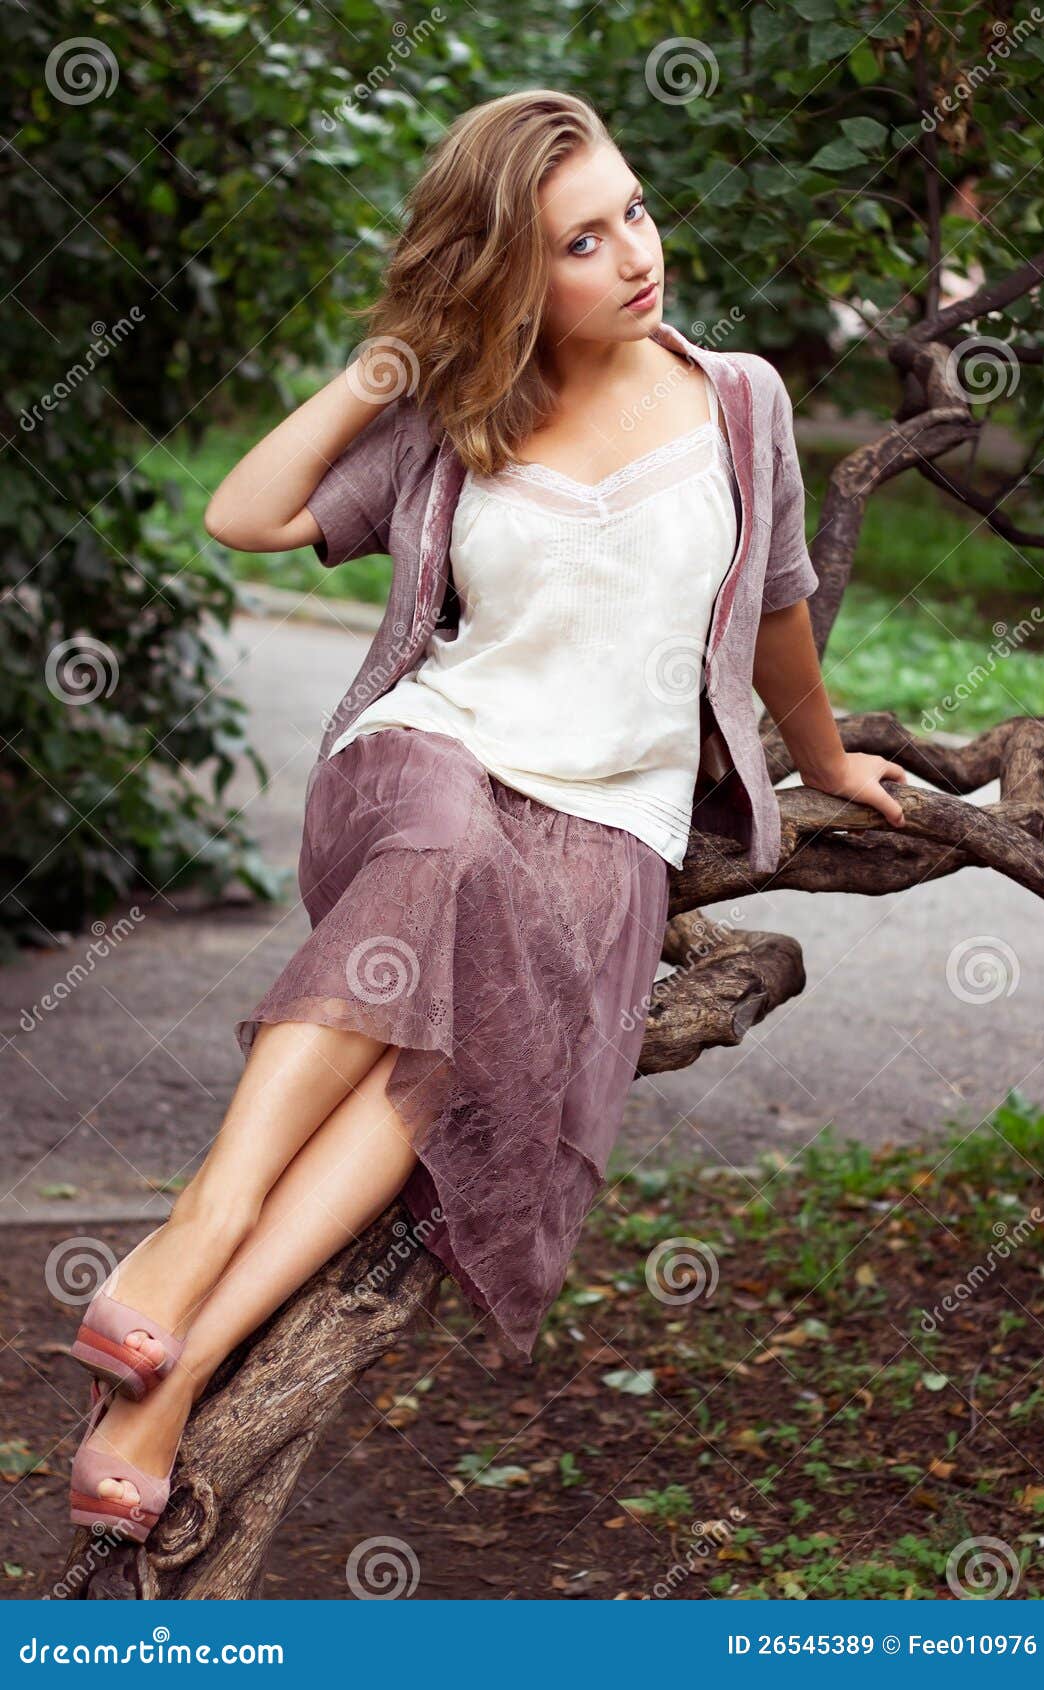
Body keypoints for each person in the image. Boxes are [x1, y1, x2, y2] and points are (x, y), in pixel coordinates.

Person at [67, 88, 907, 1538]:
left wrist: (821, 761)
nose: (635, 253)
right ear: (514, 271)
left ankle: (174, 1362)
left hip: (608, 818)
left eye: (633, 212)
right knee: (447, 857)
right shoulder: (462, 410)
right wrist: (389, 360)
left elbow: (778, 612)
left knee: (449, 1063)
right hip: (429, 760)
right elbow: (249, 517)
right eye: (581, 242)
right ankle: (194, 1224)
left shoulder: (742, 402)